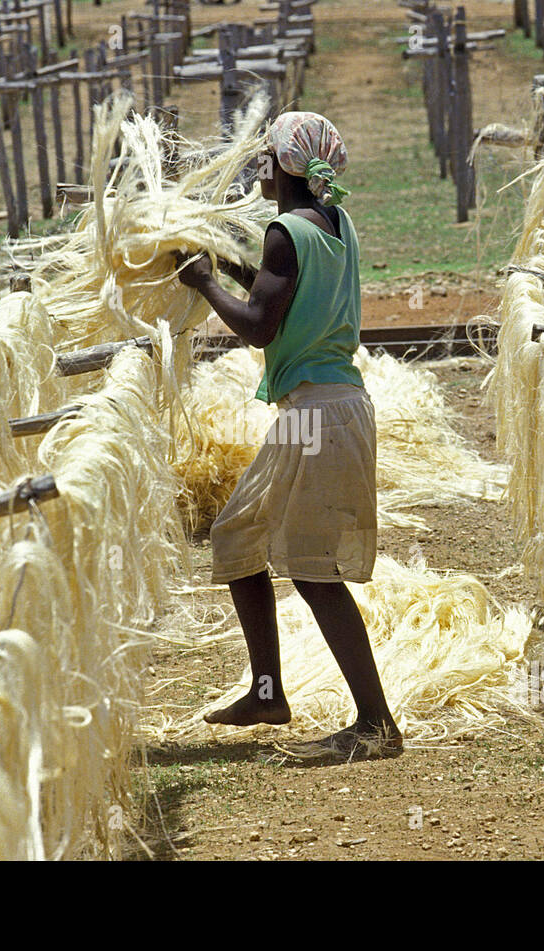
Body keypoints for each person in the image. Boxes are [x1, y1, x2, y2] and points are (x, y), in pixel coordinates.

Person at [173, 111, 401, 759]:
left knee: (313, 569)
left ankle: (377, 724)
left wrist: (205, 281)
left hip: (319, 414)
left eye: (264, 161)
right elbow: (281, 293)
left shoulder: (284, 232)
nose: (258, 171)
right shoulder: (334, 224)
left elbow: (260, 326)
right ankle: (268, 690)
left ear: (281, 167)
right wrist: (229, 265)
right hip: (326, 408)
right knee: (239, 534)